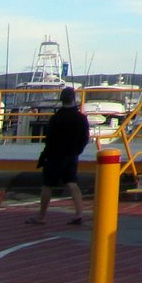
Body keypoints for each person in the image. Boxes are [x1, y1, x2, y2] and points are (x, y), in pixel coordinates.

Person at [29, 87, 90, 226]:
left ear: (61, 100)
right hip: (72, 154)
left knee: (47, 185)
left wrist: (44, 156)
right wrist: (77, 151)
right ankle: (79, 213)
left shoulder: (56, 119)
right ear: (74, 99)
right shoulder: (81, 119)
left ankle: (42, 216)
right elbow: (85, 138)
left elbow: (49, 140)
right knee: (72, 183)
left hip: (55, 155)